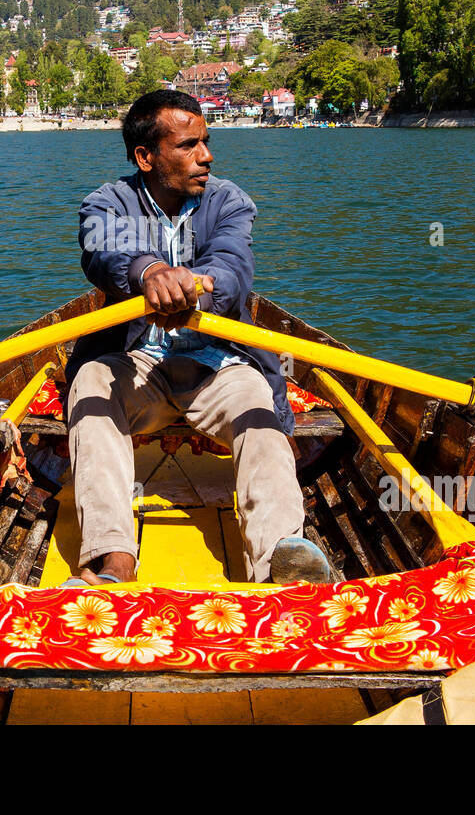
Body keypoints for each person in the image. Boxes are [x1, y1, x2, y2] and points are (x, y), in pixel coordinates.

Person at [63, 89, 333, 586]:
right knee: (89, 384)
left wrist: (193, 293)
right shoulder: (108, 202)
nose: (205, 156)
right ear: (146, 157)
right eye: (188, 146)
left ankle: (280, 565)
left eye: (205, 142)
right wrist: (148, 272)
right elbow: (102, 251)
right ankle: (111, 559)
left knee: (259, 407)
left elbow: (232, 266)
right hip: (137, 364)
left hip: (216, 368)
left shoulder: (228, 200)